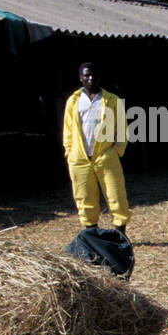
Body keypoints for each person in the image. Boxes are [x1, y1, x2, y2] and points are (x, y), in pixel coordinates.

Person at [62, 62, 130, 233]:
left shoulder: (111, 100)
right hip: (80, 158)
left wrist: (116, 150)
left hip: (106, 156)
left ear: (99, 77)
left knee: (117, 196)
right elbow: (68, 129)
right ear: (80, 78)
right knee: (84, 198)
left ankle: (120, 234)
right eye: (86, 75)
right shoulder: (73, 101)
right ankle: (92, 234)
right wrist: (70, 151)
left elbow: (122, 128)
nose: (90, 79)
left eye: (93, 75)